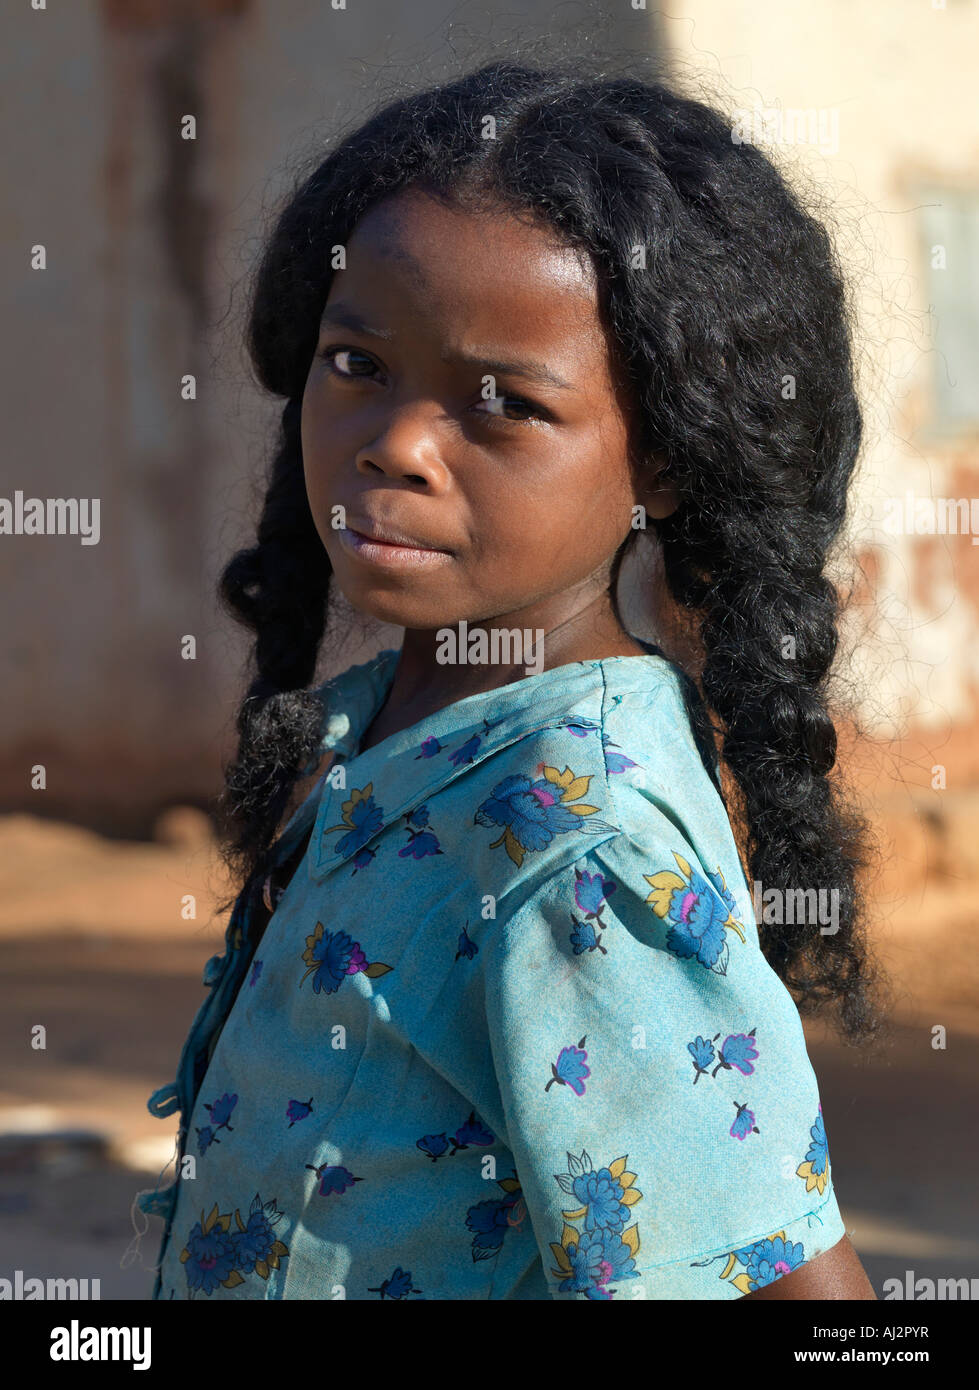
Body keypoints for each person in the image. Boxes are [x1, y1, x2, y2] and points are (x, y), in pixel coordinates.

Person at [138, 58, 888, 1299]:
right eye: (358, 364)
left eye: (505, 407)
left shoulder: (571, 842)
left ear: (668, 463)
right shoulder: (385, 728)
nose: (393, 444)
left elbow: (786, 1282)